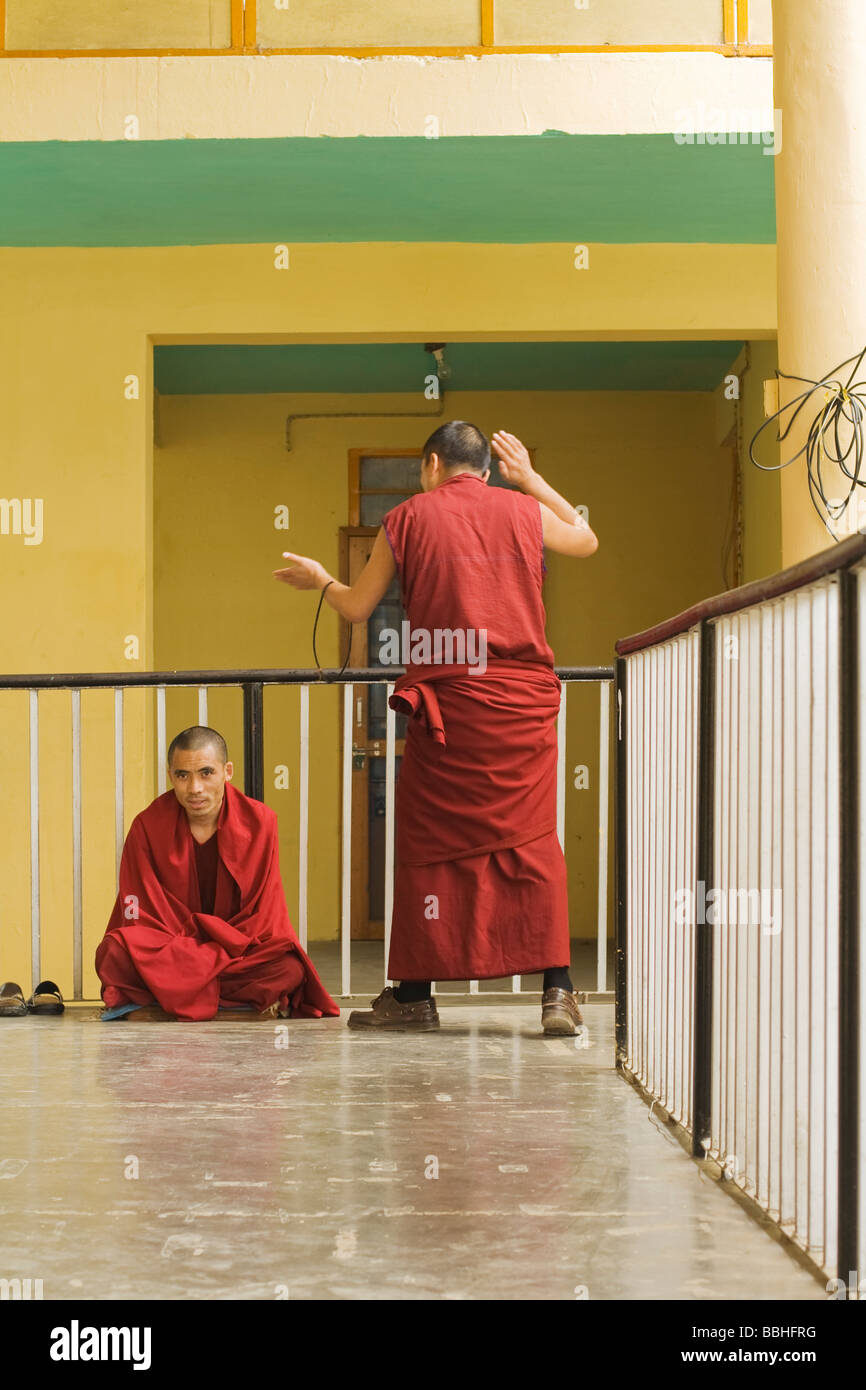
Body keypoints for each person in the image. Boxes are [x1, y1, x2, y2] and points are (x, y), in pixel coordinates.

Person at [273, 423, 598, 1034]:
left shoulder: (407, 518)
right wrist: (530, 480)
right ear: (486, 468)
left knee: (426, 846)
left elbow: (356, 607)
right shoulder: (524, 510)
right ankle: (558, 992)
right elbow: (586, 541)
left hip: (450, 706)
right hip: (518, 707)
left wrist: (320, 579)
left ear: (431, 464)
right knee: (532, 840)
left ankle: (415, 996)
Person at [95, 726, 338, 1023]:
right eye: (183, 775)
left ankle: (165, 1005)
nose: (195, 788)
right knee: (116, 951)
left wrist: (210, 954)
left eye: (206, 773)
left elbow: (265, 914)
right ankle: (236, 1010)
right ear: (171, 776)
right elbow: (140, 910)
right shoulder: (147, 826)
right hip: (173, 947)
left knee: (288, 966)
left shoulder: (261, 822)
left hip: (233, 950)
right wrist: (194, 952)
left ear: (227, 771)